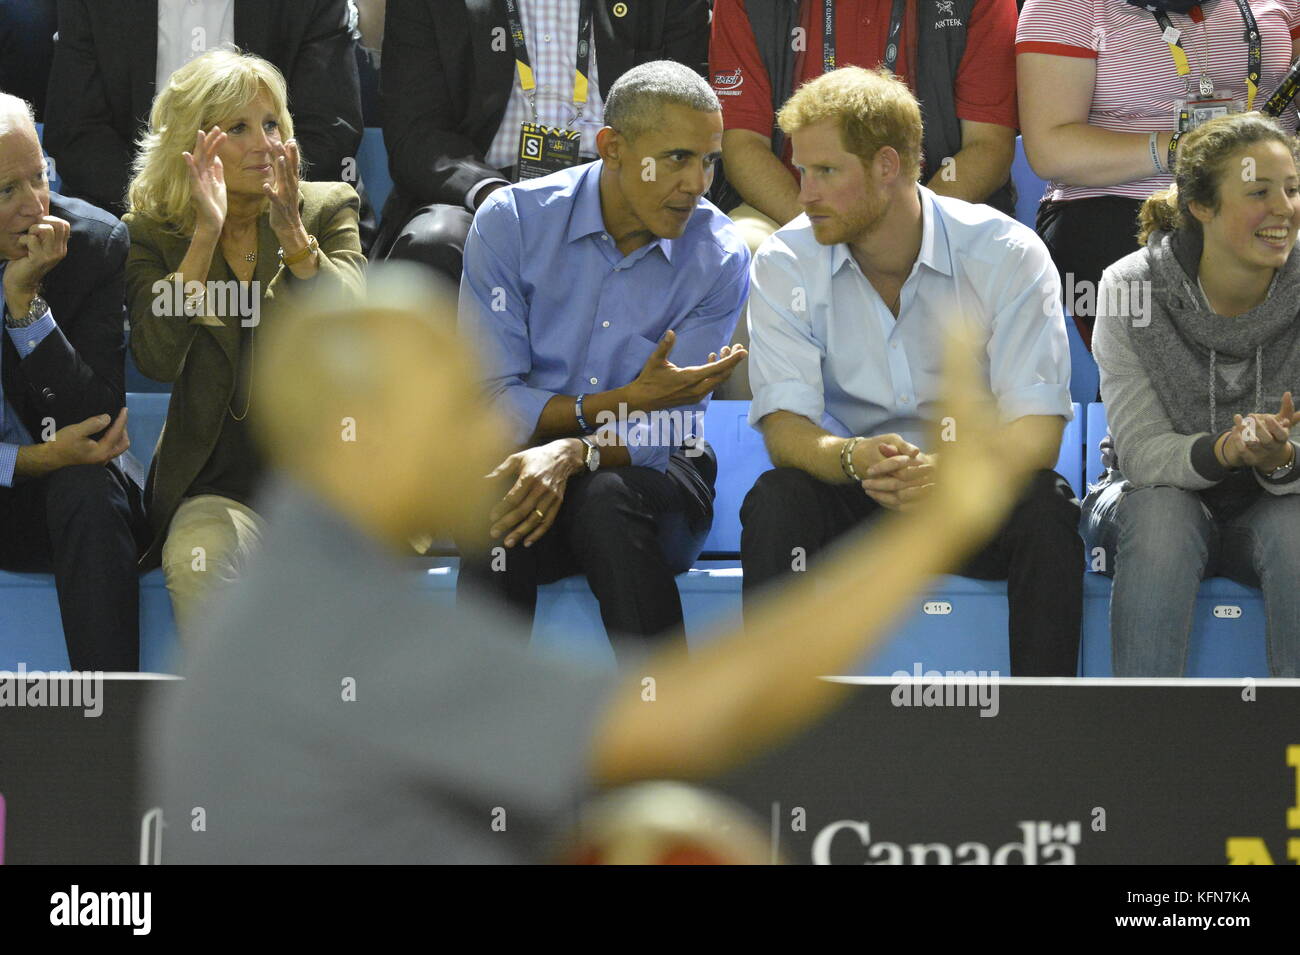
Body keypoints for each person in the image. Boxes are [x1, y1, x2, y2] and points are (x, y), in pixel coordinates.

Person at [144, 262, 1059, 863]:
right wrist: (937, 530)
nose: (486, 433)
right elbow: (690, 719)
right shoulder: (336, 622)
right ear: (361, 439)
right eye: (455, 411)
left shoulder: (305, 589)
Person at [739, 66, 1083, 676]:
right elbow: (784, 427)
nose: (803, 194)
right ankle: (774, 746)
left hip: (974, 491)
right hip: (859, 487)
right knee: (776, 501)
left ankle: (1043, 737)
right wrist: (853, 458)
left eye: (825, 172)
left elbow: (1039, 432)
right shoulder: (785, 261)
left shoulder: (1007, 252)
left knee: (1044, 506)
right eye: (802, 171)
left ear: (887, 166)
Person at [456, 61, 749, 656]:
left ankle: (668, 730)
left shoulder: (718, 254)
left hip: (660, 473)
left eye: (709, 160)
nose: (698, 183)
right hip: (527, 466)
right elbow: (490, 399)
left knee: (605, 498)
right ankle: (475, 734)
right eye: (677, 158)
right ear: (612, 148)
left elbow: (671, 424)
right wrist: (612, 405)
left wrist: (576, 448)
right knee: (499, 493)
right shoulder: (511, 223)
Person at [123, 50, 366, 637]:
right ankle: (234, 724)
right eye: (237, 128)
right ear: (192, 146)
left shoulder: (326, 207)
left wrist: (295, 239)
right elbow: (155, 357)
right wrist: (205, 235)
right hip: (216, 488)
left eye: (271, 124)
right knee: (196, 563)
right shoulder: (154, 233)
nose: (264, 144)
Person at [708, 0, 1019, 398]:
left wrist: (907, 230)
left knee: (982, 252)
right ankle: (772, 439)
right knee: (744, 248)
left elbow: (988, 147)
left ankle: (960, 450)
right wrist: (825, 227)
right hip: (795, 201)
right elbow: (742, 146)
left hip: (926, 201)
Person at [1082, 112, 1300, 678]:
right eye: (1259, 192)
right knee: (1161, 516)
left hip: (1278, 499)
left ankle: (1292, 753)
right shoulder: (1130, 287)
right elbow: (1142, 452)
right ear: (1201, 206)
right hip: (1147, 494)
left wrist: (1283, 459)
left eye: (1293, 188)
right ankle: (1144, 748)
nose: (1284, 208)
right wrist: (1223, 452)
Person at [1017, 0, 1300, 349]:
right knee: (1177, 346)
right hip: (1118, 203)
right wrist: (1186, 150)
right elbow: (1051, 150)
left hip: (1273, 194)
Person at [375, 0, 710, 280]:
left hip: (621, 185)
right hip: (483, 190)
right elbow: (416, 131)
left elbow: (689, 118)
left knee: (693, 242)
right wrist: (495, 198)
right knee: (433, 242)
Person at [0, 92, 149, 671]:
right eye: (6, 191)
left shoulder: (92, 245)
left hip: (74, 503)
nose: (34, 206)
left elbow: (94, 424)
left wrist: (25, 306)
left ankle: (109, 727)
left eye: (39, 176)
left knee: (85, 488)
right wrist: (32, 461)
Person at [42, 0, 368, 241]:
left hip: (278, 210)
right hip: (134, 211)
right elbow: (75, 131)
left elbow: (329, 131)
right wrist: (168, 210)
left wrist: (241, 212)